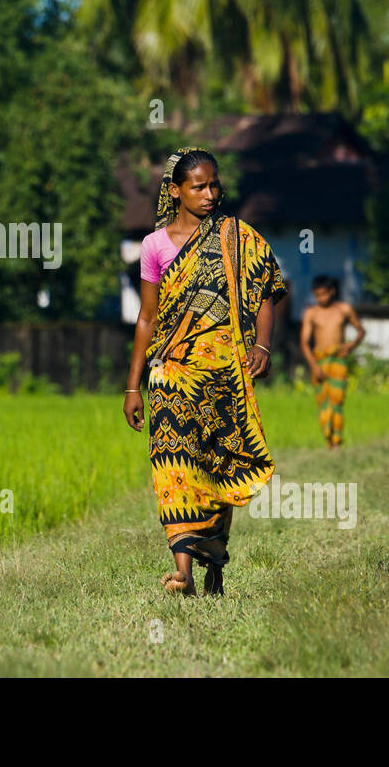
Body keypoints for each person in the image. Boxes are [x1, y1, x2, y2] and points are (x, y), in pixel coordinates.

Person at [123, 147, 288, 597]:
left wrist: (262, 344)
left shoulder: (239, 238)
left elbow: (267, 294)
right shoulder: (154, 246)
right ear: (175, 191)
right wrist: (132, 385)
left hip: (224, 374)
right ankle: (184, 571)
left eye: (214, 185)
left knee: (219, 464)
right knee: (172, 462)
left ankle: (214, 556)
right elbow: (147, 317)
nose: (210, 193)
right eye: (198, 186)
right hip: (171, 372)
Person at [299, 275, 365, 449]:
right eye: (317, 295)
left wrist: (350, 346)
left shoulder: (344, 309)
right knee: (323, 402)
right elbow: (304, 343)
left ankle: (336, 440)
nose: (321, 298)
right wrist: (313, 366)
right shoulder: (311, 312)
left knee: (337, 401)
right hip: (319, 360)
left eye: (324, 294)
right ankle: (327, 439)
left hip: (338, 360)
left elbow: (360, 330)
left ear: (332, 291)